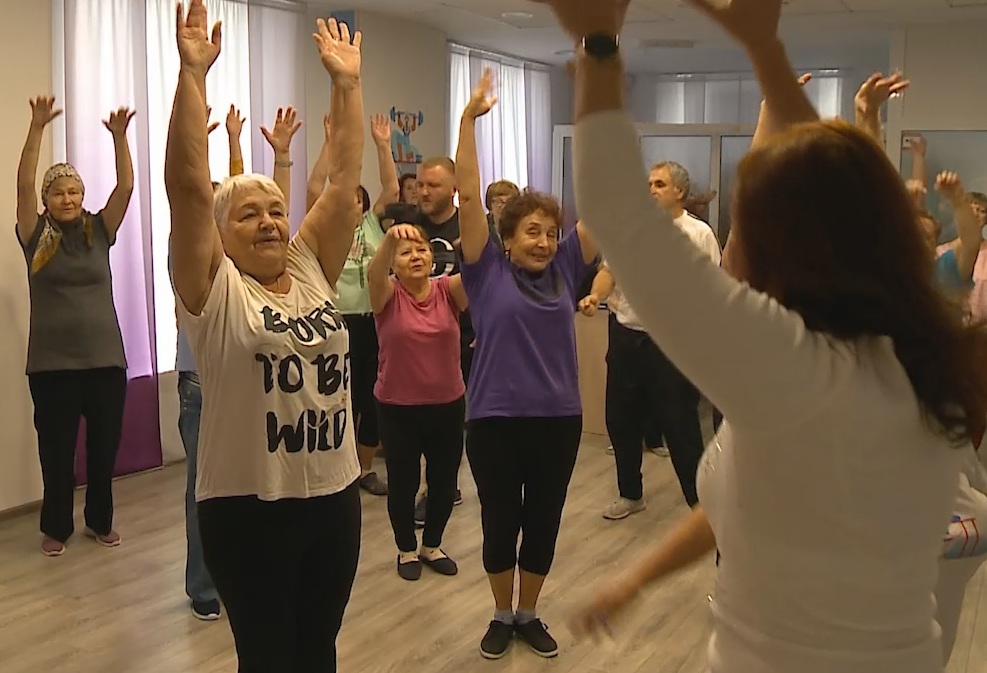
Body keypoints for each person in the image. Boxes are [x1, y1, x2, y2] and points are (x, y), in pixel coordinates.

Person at [537, 3, 987, 673]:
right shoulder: (902, 348)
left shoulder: (790, 369)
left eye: (743, 221)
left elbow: (619, 214)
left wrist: (598, 39)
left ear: (785, 251)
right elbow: (749, 498)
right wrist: (764, 53)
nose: (728, 243)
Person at [167, 4, 364, 671]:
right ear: (222, 236)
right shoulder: (215, 290)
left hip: (333, 496)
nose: (269, 222)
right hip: (248, 508)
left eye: (276, 210)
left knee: (319, 652)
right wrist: (192, 74)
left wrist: (347, 85)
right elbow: (190, 189)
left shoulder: (309, 266)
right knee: (270, 656)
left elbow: (342, 188)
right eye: (248, 214)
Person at [455, 68, 599, 660]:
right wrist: (467, 121)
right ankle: (498, 613)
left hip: (557, 418)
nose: (544, 241)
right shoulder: (485, 270)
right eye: (532, 232)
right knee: (498, 523)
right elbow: (468, 192)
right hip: (492, 419)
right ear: (506, 239)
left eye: (551, 232)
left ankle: (528, 612)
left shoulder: (568, 268)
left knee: (541, 521)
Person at [175, 104, 301, 621]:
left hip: (254, 378)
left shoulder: (258, 251)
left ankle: (252, 576)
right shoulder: (198, 256)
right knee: (207, 487)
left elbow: (257, 203)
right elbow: (202, 196)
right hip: (202, 383)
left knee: (266, 483)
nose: (263, 223)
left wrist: (279, 158)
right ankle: (205, 584)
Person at [16, 95, 135, 557]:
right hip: (51, 366)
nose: (68, 198)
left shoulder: (98, 231)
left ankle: (100, 521)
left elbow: (125, 188)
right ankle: (56, 526)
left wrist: (121, 139)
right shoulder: (36, 239)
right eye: (58, 192)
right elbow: (23, 185)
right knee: (57, 455)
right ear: (47, 202)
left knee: (103, 452)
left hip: (105, 362)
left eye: (74, 191)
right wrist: (36, 128)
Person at [580, 161, 719, 520]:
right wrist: (596, 296)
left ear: (680, 193)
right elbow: (608, 271)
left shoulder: (698, 234)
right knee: (620, 420)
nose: (651, 190)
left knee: (680, 426)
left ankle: (699, 504)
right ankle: (630, 494)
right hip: (627, 336)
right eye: (648, 183)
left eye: (659, 184)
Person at [368, 223, 469, 580]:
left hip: (447, 404)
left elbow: (478, 271)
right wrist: (391, 239)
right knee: (404, 481)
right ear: (393, 263)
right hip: (398, 407)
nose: (416, 256)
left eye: (422, 250)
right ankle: (406, 549)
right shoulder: (387, 294)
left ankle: (432, 545)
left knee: (443, 482)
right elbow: (373, 270)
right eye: (406, 252)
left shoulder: (448, 290)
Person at [308, 110, 400, 496]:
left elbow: (392, 189)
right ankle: (331, 466)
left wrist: (382, 145)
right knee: (332, 396)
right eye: (347, 198)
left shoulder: (373, 224)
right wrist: (330, 142)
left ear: (363, 206)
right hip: (334, 320)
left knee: (369, 396)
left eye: (359, 199)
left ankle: (364, 469)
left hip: (371, 321)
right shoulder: (327, 226)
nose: (354, 203)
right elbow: (315, 187)